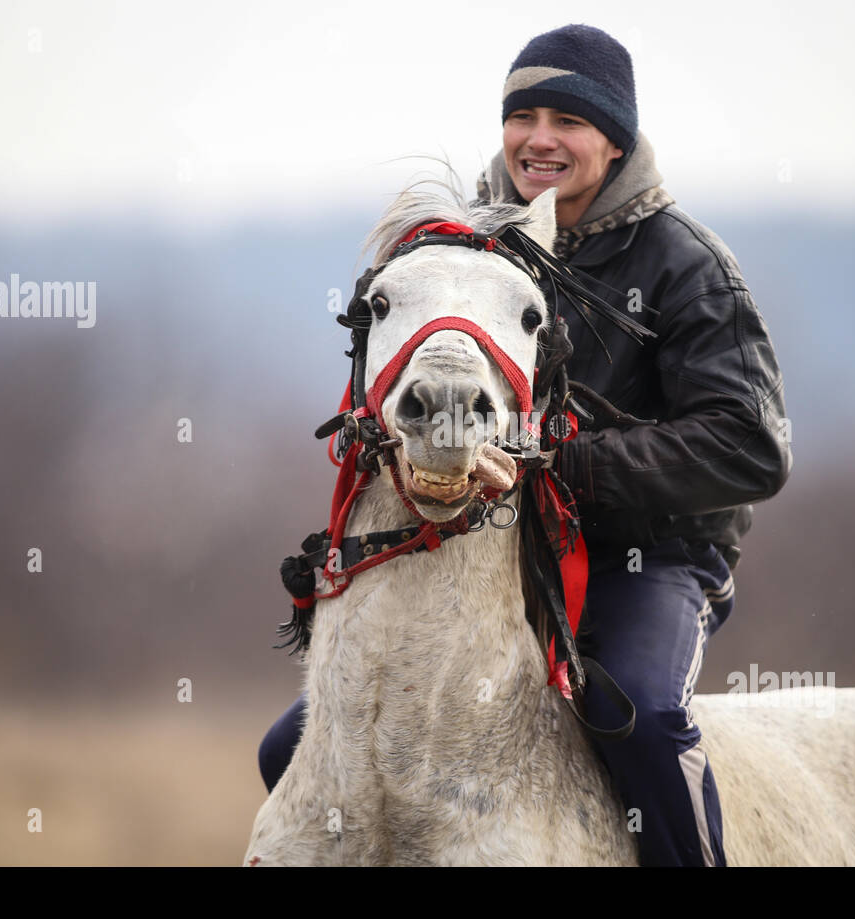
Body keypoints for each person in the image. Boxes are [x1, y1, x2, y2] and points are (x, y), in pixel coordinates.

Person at [258, 23, 791, 867]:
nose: (540, 139)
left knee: (645, 716)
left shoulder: (688, 265)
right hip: (500, 552)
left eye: (569, 121)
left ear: (614, 141)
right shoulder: (466, 247)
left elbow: (751, 447)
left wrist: (565, 466)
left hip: (648, 558)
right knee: (289, 747)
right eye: (524, 115)